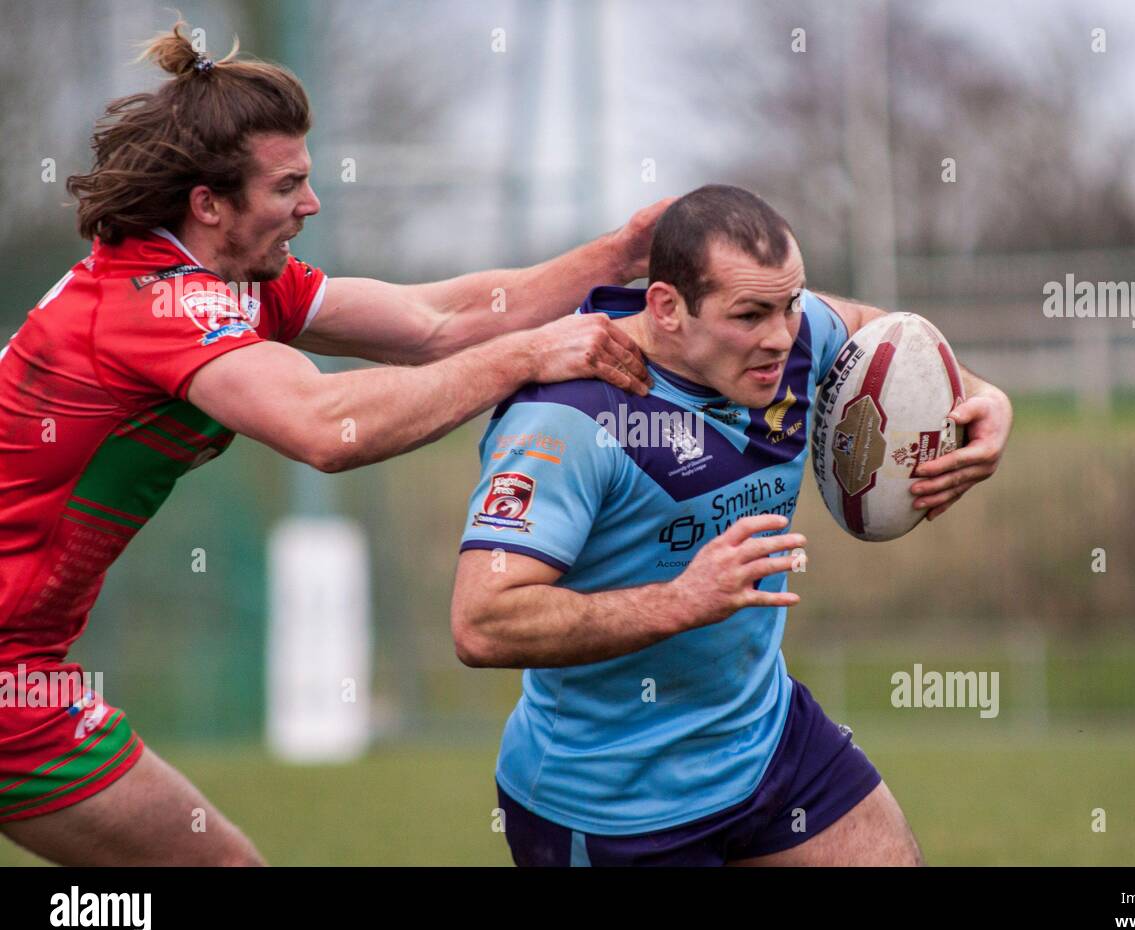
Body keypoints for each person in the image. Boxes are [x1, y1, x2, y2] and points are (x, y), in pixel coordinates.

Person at [0, 20, 664, 865]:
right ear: (209, 204)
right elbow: (326, 429)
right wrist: (532, 355)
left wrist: (624, 251)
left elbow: (439, 321)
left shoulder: (227, 281)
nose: (311, 205)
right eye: (288, 187)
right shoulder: (158, 304)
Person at [450, 185, 1013, 866]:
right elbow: (481, 622)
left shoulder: (795, 346)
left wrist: (983, 397)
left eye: (791, 304)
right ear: (666, 308)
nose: (780, 337)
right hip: (612, 804)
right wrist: (679, 601)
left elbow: (879, 329)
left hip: (768, 740)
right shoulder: (568, 417)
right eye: (749, 314)